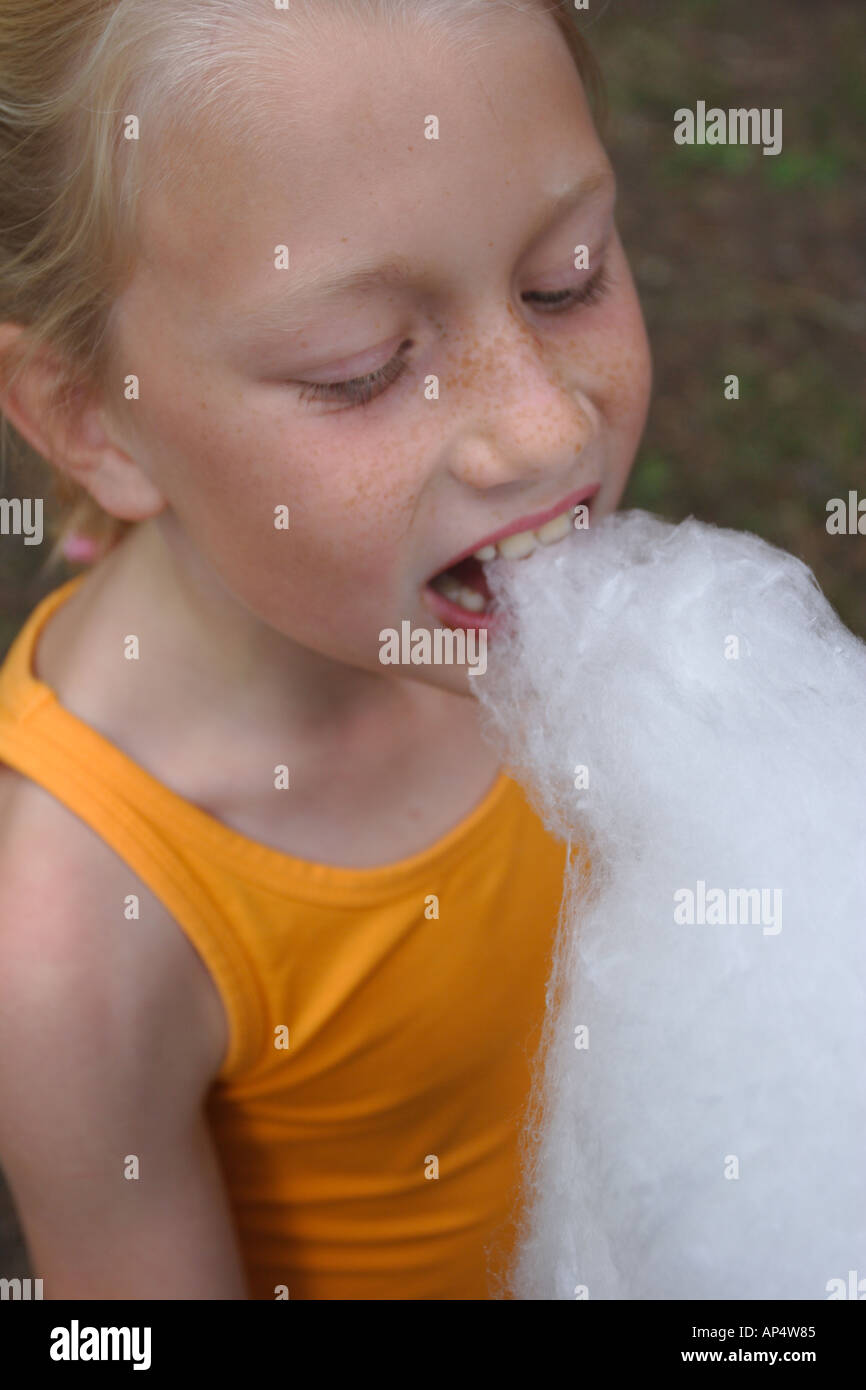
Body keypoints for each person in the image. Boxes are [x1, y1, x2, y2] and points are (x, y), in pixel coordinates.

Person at [0, 0, 652, 1299]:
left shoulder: (488, 572)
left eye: (565, 277)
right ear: (94, 421)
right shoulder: (75, 941)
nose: (543, 429)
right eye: (360, 370)